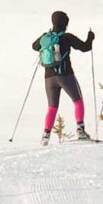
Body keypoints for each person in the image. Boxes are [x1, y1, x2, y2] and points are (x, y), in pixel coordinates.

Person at [31, 10, 94, 144]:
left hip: (48, 77)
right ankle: (81, 130)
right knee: (78, 101)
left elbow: (34, 46)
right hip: (65, 75)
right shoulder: (67, 37)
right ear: (65, 23)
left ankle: (45, 136)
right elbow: (85, 47)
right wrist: (90, 37)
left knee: (52, 107)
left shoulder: (45, 37)